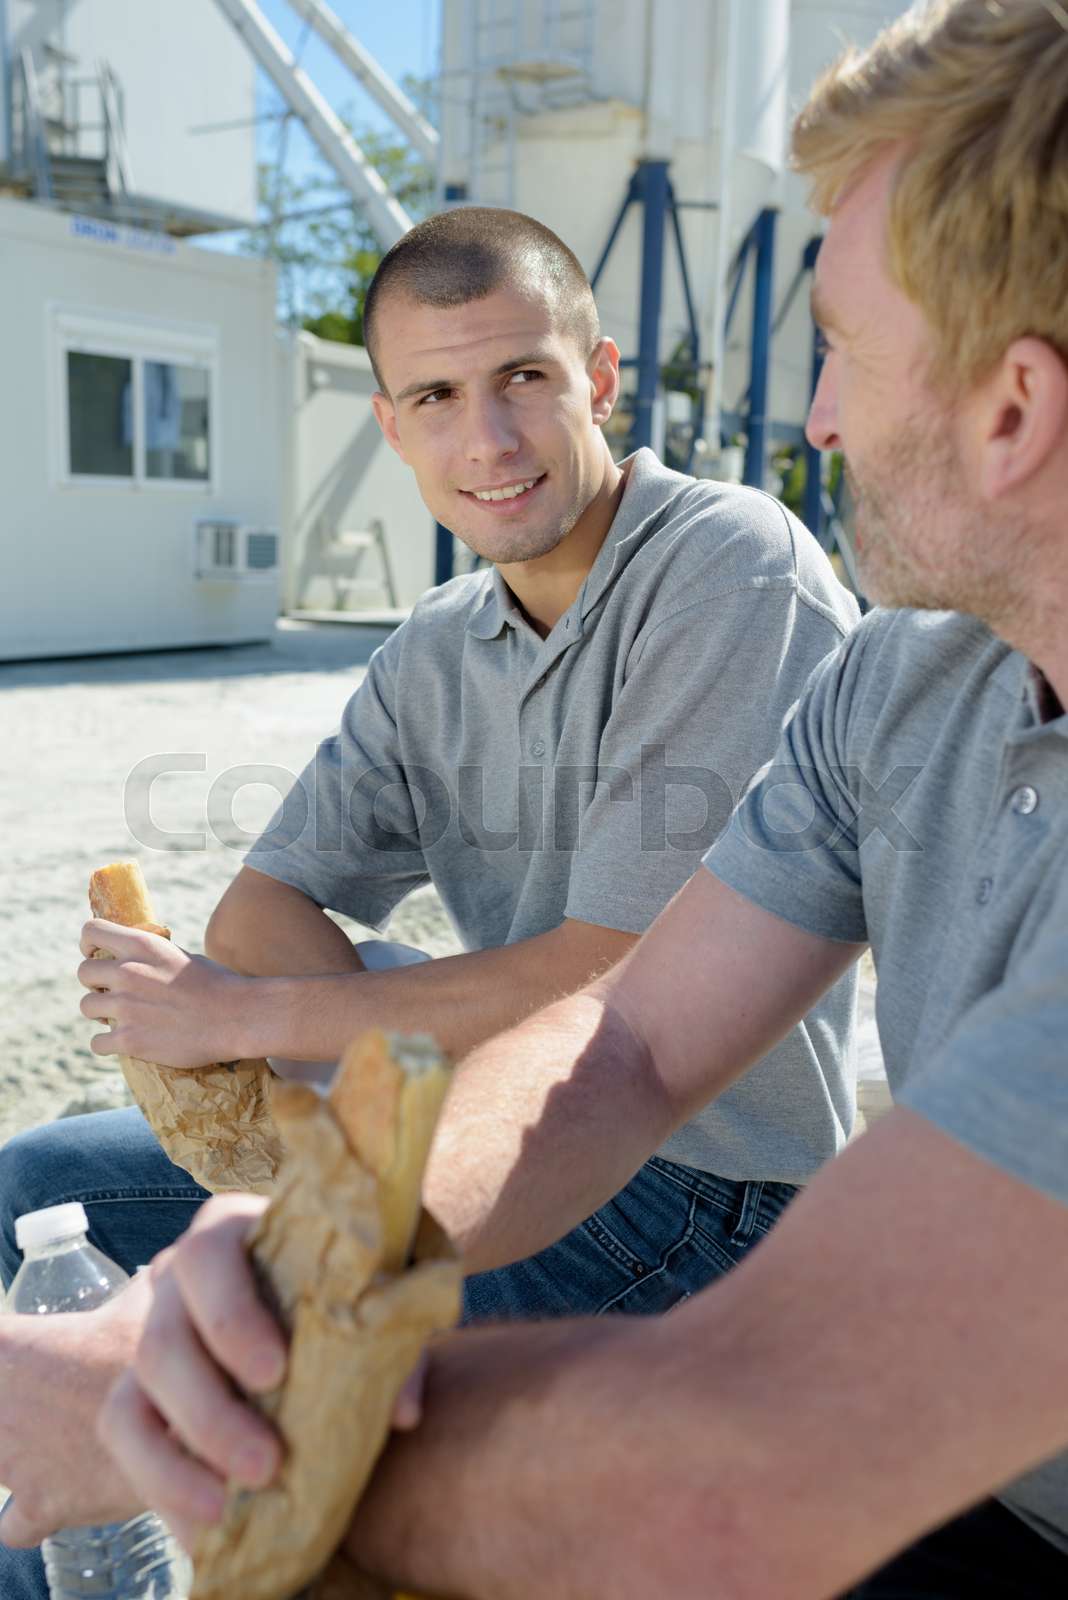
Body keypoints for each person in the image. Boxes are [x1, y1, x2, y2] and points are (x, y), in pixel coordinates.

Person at [84, 2, 1068, 1595]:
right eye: (435, 400)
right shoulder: (909, 682)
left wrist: (235, 1404)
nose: (812, 419)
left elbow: (753, 1449)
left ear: (1009, 410)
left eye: (839, 351)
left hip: (806, 1303)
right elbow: (632, 1040)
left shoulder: (736, 563)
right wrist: (347, 1236)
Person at [0, 210, 858, 1595]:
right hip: (494, 1131)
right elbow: (260, 908)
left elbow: (626, 980)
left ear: (601, 376)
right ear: (392, 430)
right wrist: (328, 1055)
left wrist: (255, 1018)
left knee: (254, 1377)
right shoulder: (434, 649)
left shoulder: (729, 569)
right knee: (45, 1191)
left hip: (705, 1191)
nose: (490, 441)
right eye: (437, 398)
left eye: (523, 376)